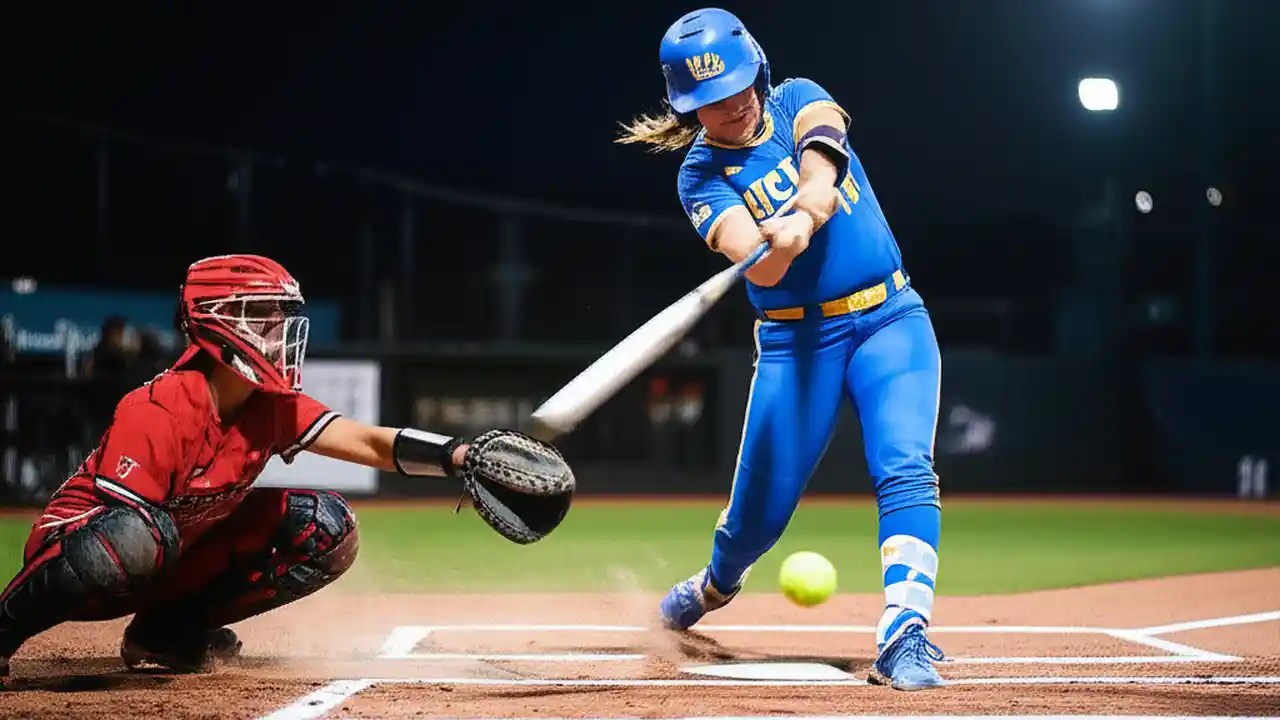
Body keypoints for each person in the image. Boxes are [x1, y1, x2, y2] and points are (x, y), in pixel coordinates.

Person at [0, 254, 572, 678]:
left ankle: (165, 634)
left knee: (326, 526)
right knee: (136, 533)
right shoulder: (160, 406)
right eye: (263, 316)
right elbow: (119, 530)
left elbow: (368, 443)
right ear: (216, 321)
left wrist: (457, 456)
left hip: (164, 553)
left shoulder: (269, 408)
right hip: (84, 551)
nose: (278, 332)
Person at [618, 8, 946, 690]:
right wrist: (776, 246)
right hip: (798, 344)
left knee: (905, 464)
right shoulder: (701, 176)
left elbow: (823, 161)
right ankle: (715, 583)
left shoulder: (797, 96)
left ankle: (905, 632)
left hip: (891, 318)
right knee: (754, 521)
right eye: (708, 100)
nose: (731, 105)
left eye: (738, 86)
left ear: (758, 70)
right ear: (689, 108)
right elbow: (758, 266)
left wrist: (806, 208)